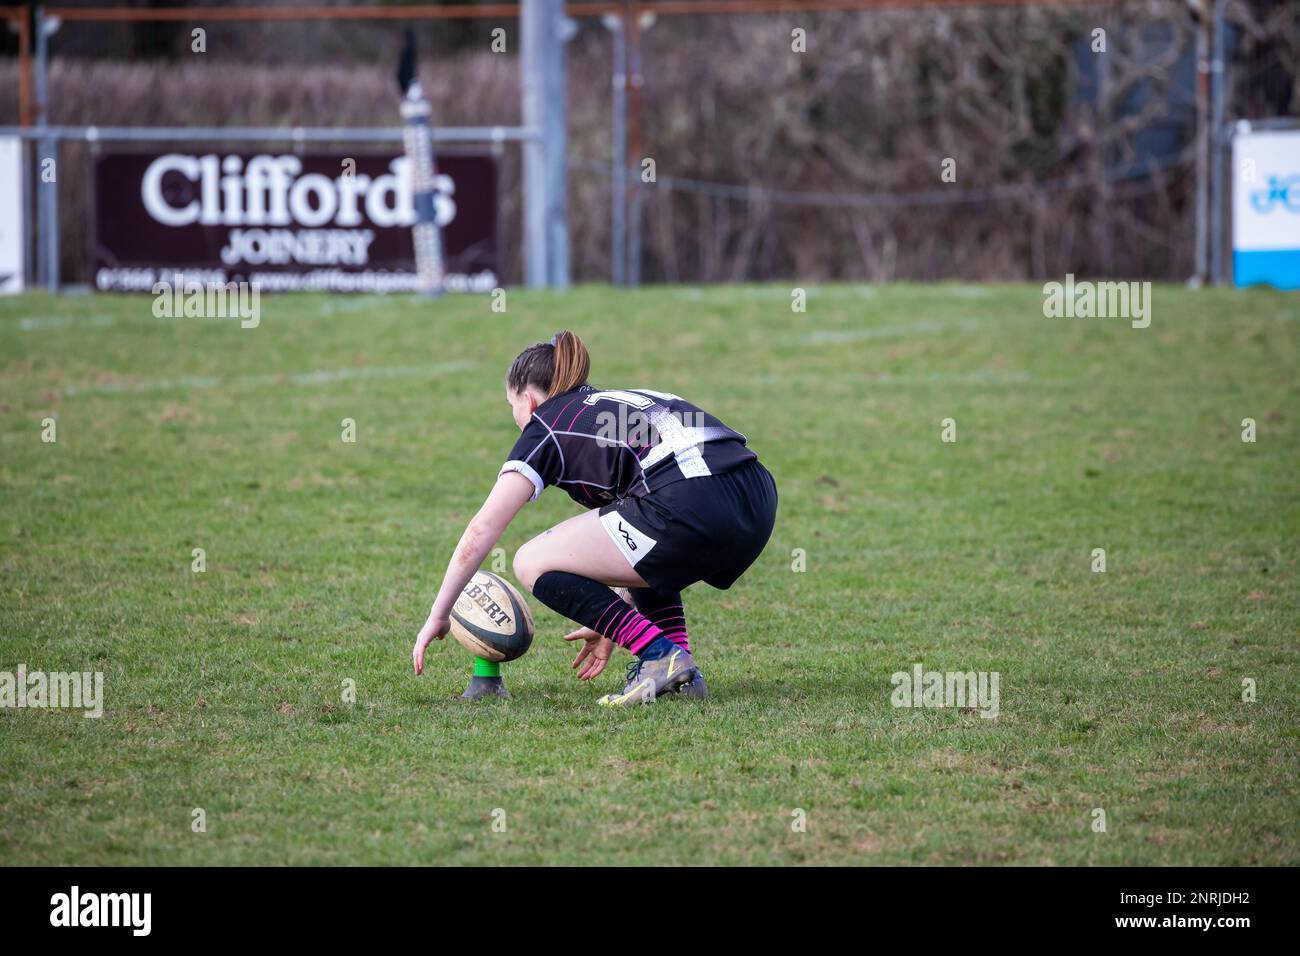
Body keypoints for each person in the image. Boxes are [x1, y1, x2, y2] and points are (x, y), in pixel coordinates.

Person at [412, 330, 777, 706]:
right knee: (638, 528)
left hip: (691, 502)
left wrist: (439, 614)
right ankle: (680, 673)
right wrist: (612, 614)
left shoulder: (546, 426)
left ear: (530, 401)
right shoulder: (619, 400)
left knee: (530, 561)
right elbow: (635, 539)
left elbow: (482, 528)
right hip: (757, 499)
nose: (515, 419)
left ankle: (658, 655)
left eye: (512, 408)